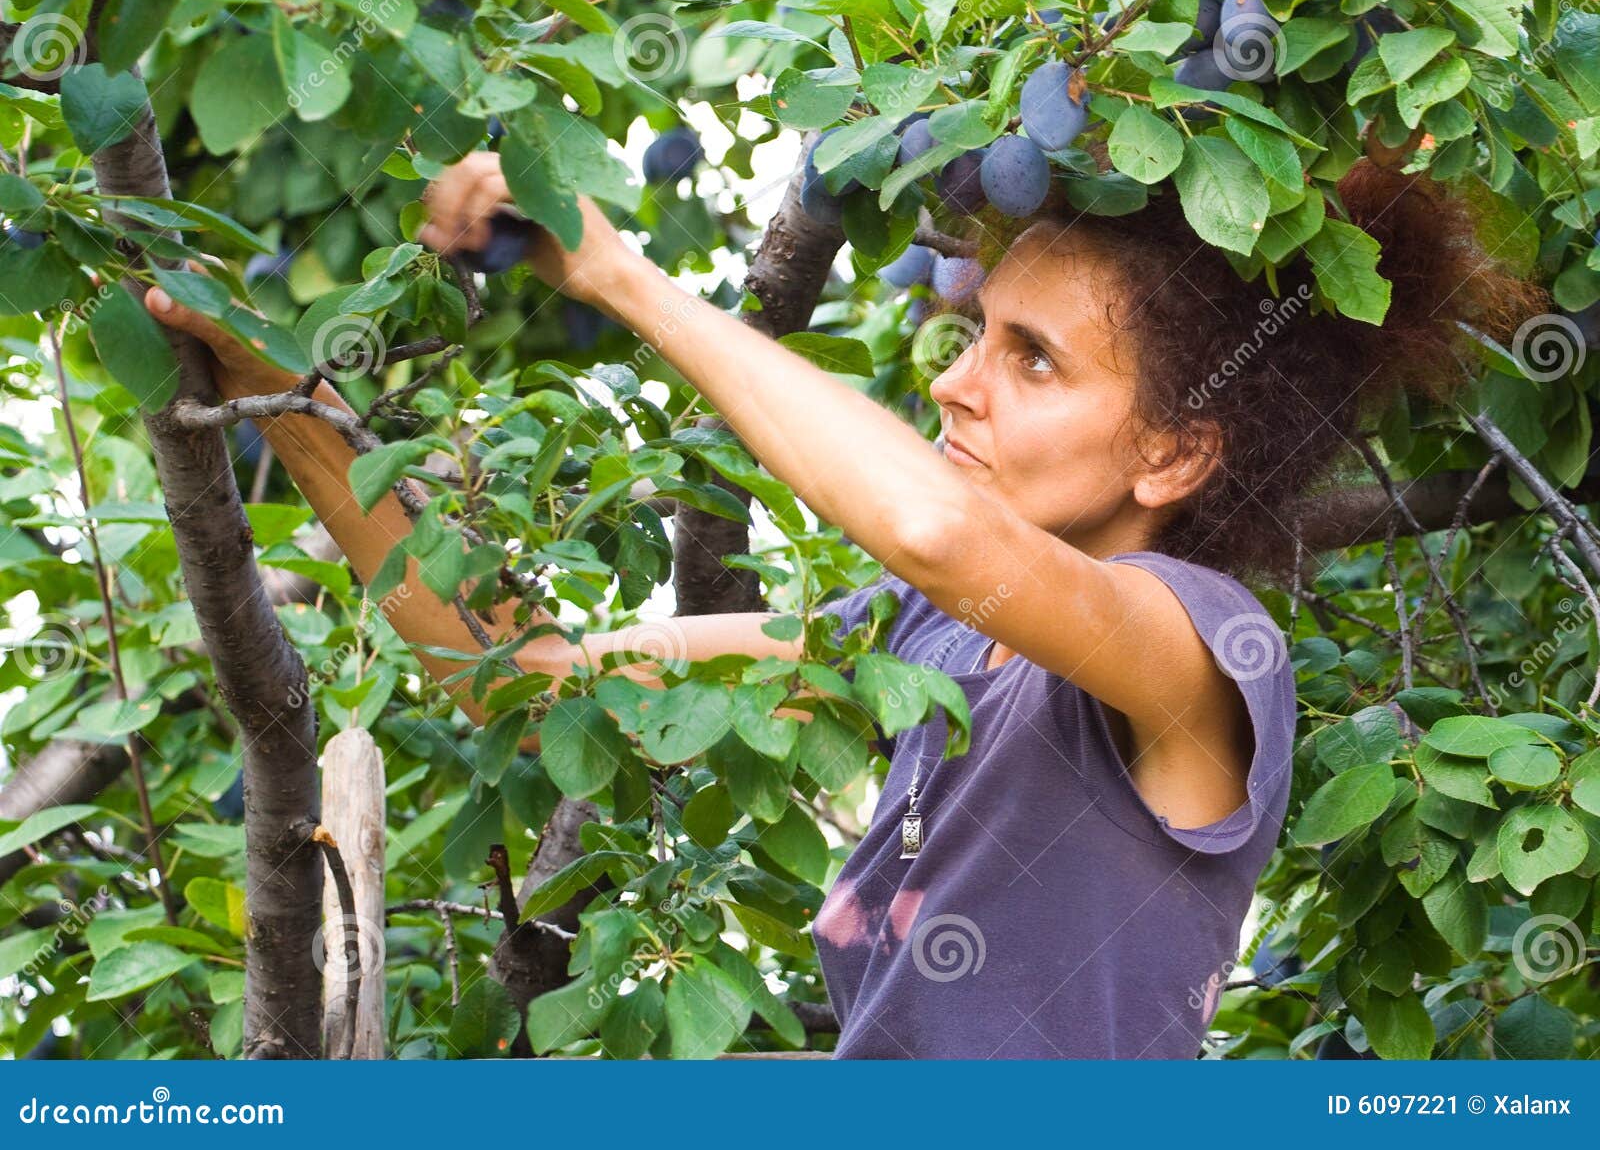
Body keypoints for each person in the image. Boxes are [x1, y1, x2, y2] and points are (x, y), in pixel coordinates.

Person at [143, 148, 1538, 1059]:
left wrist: (621, 273)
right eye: (976, 332)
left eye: (1034, 361)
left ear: (1173, 451)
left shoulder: (1203, 648)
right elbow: (511, 670)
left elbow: (932, 526)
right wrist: (294, 399)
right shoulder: (915, 642)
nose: (956, 381)